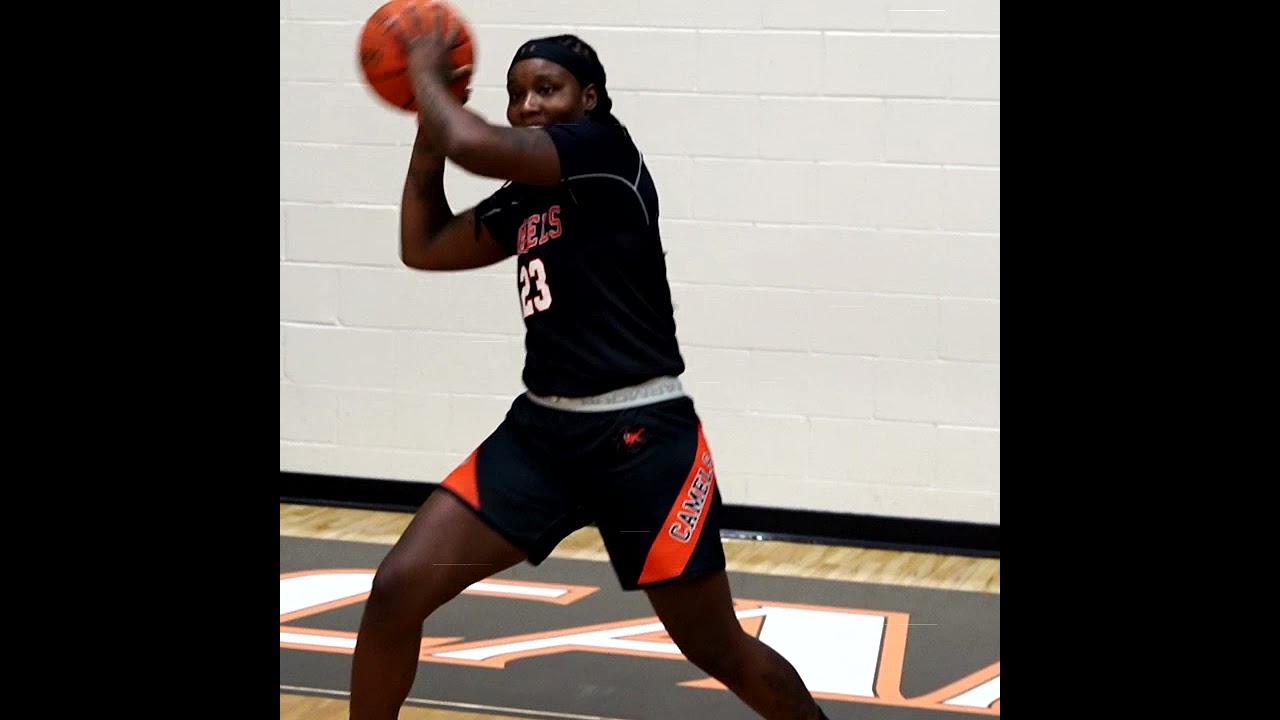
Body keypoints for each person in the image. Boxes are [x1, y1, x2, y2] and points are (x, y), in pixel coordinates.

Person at [348, 8, 833, 720]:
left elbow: (473, 143)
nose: (528, 105)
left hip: (641, 438)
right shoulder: (527, 195)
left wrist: (424, 72)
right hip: (542, 437)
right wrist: (429, 122)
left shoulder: (604, 149)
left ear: (589, 99)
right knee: (396, 590)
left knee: (717, 647)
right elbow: (422, 246)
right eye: (516, 94)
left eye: (547, 89)